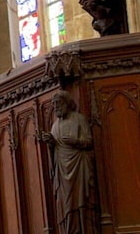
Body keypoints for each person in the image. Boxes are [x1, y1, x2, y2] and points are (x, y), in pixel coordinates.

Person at [41, 91, 96, 234]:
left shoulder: (79, 119)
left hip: (79, 167)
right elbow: (56, 151)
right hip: (62, 171)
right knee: (66, 203)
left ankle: (86, 230)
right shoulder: (55, 126)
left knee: (82, 200)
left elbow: (89, 142)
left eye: (59, 104)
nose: (56, 107)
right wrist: (51, 143)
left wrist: (76, 142)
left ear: (67, 103)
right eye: (54, 105)